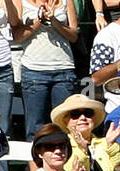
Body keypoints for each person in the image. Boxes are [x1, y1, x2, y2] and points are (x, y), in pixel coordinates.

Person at [17, 0, 80, 135]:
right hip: (34, 70)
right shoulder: (21, 2)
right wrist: (39, 20)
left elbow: (74, 35)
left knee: (64, 125)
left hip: (64, 70)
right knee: (36, 128)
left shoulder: (66, 1)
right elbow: (18, 36)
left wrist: (54, 21)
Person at [53, 94, 120, 171]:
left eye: (88, 113)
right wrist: (82, 150)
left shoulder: (106, 143)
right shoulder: (61, 145)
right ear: (65, 121)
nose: (83, 118)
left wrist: (112, 146)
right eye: (75, 114)